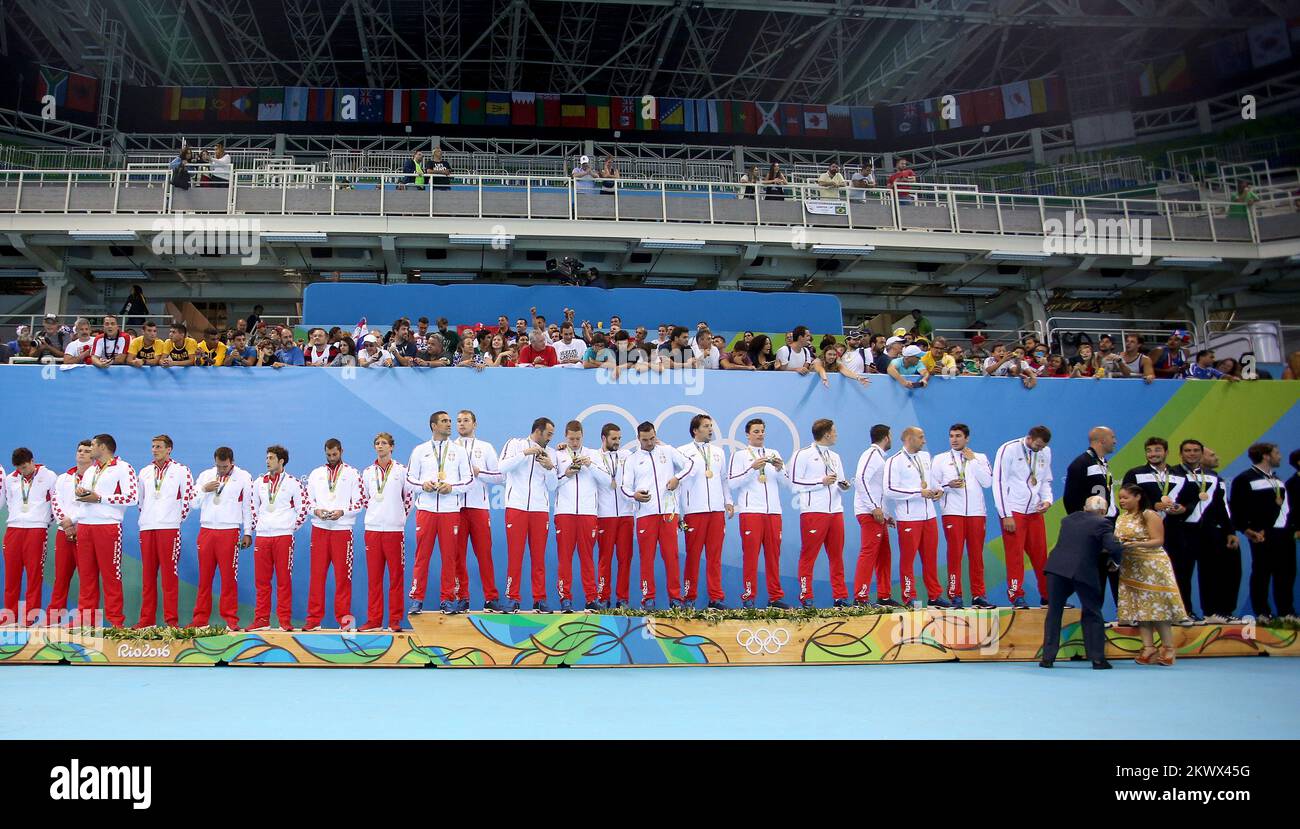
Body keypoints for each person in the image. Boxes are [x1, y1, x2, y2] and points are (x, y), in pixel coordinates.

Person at [1040, 495, 1125, 670]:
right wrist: (1115, 562)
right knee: (1092, 612)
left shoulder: (1068, 520)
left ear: (1085, 507)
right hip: (1083, 570)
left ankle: (1047, 658)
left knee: (1054, 613)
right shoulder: (1103, 523)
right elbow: (1114, 546)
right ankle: (1097, 659)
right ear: (1103, 512)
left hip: (1056, 568)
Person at [405, 412, 473, 615]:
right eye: (444, 421)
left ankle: (448, 598)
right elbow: (409, 480)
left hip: (450, 511)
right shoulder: (420, 451)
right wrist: (422, 485)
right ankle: (417, 598)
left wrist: (451, 487)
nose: (450, 424)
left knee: (450, 557)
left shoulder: (459, 451)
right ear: (433, 426)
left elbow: (469, 480)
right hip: (426, 510)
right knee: (422, 556)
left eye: (450, 421)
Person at [1122, 436, 1199, 617]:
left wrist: (1183, 509)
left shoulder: (1179, 475)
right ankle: (1144, 614)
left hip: (1174, 529)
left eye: (1157, 450)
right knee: (1145, 572)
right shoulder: (1135, 473)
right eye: (1149, 451)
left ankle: (1183, 612)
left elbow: (1191, 499)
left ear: (1166, 452)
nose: (1153, 454)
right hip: (1145, 530)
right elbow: (1126, 500)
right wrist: (1151, 507)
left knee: (1180, 571)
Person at [621, 422, 692, 608]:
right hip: (646, 514)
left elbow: (690, 464)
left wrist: (677, 478)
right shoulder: (632, 459)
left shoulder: (667, 450)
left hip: (669, 513)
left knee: (672, 556)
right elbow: (624, 487)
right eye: (645, 440)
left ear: (655, 434)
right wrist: (634, 495)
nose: (650, 442)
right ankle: (648, 598)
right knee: (646, 557)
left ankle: (676, 598)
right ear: (638, 439)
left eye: (652, 438)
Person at [1115, 484, 1187, 666]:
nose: (1122, 501)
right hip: (1131, 567)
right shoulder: (1121, 517)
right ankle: (1148, 648)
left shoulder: (1149, 514)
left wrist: (1134, 545)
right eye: (1120, 498)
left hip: (1153, 566)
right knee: (1140, 608)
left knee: (1158, 608)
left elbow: (1158, 540)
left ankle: (1168, 648)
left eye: (1125, 497)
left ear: (1137, 497)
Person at [73, 434, 138, 628]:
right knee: (86, 576)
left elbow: (132, 497)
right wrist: (81, 494)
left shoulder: (123, 468)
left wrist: (100, 498)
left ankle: (115, 622)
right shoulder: (91, 470)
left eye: (92, 445)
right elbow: (88, 498)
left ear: (103, 447)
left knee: (111, 576)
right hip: (85, 526)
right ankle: (86, 622)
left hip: (107, 527)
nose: (89, 448)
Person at [498, 417, 561, 613]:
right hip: (516, 507)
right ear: (538, 431)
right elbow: (502, 468)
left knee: (538, 557)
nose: (550, 438)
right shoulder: (515, 444)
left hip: (539, 510)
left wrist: (550, 468)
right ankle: (512, 598)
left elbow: (553, 486)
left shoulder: (551, 453)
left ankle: (540, 599)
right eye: (548, 434)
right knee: (515, 556)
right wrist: (525, 453)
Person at [789, 418, 853, 608]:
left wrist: (844, 485)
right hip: (813, 511)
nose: (836, 434)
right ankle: (806, 596)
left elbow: (839, 482)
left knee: (836, 556)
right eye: (834, 431)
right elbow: (793, 483)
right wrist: (820, 482)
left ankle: (840, 597)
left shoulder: (835, 457)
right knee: (809, 556)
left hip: (835, 511)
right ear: (826, 434)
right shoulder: (802, 455)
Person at [931, 424, 995, 609]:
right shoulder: (941, 459)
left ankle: (978, 596)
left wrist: (973, 460)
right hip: (953, 512)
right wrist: (948, 484)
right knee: (955, 555)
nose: (954, 439)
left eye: (958, 436)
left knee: (976, 556)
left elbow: (988, 482)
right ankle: (955, 595)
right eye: (951, 436)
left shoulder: (980, 458)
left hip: (976, 513)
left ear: (967, 438)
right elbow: (934, 486)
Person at [727, 418, 789, 609]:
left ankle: (775, 597)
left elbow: (787, 483)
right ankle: (749, 597)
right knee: (751, 556)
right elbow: (731, 483)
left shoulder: (774, 454)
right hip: (751, 512)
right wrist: (751, 468)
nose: (760, 434)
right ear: (747, 434)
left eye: (762, 431)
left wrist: (779, 469)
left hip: (773, 512)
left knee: (773, 556)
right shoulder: (739, 456)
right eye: (756, 431)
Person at [303, 439, 365, 630]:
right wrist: (317, 511)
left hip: (342, 531)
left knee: (343, 578)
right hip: (320, 530)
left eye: (335, 454)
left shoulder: (352, 473)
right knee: (317, 577)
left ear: (341, 451)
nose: (331, 458)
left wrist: (342, 512)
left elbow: (360, 502)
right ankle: (313, 620)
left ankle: (344, 621)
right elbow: (307, 502)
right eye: (328, 455)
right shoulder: (315, 474)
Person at [882, 427, 948, 608]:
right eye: (921, 437)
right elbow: (889, 490)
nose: (924, 441)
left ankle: (935, 597)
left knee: (930, 559)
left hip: (929, 516)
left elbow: (933, 480)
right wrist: (919, 493)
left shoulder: (925, 457)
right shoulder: (894, 461)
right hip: (909, 518)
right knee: (908, 560)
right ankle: (909, 597)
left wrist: (938, 490)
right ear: (909, 439)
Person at [134, 435, 194, 629]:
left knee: (169, 577)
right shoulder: (144, 472)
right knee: (148, 577)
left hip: (169, 528)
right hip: (147, 527)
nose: (154, 450)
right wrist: (148, 519)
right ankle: (146, 620)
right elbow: (140, 501)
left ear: (169, 449)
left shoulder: (181, 471)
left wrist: (175, 519)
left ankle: (171, 621)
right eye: (152, 446)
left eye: (158, 446)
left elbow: (188, 499)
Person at [1229, 442, 1294, 619]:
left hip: (1284, 533)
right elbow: (1237, 508)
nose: (1280, 456)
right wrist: (1248, 530)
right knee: (1262, 573)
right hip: (1262, 534)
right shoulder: (1245, 479)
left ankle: (1286, 612)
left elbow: (1285, 507)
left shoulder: (1277, 479)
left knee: (1285, 573)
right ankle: (1262, 612)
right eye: (1277, 453)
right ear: (1266, 455)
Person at [992, 425, 1054, 609]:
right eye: (1038, 444)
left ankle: (1048, 596)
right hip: (1014, 510)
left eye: (1043, 446)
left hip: (1035, 511)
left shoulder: (1046, 452)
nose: (1040, 448)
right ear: (1029, 437)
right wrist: (1006, 515)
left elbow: (1045, 481)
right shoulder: (1008, 449)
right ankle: (1016, 595)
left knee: (1041, 555)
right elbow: (999, 482)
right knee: (1015, 556)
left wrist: (1047, 500)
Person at [248, 445, 308, 632]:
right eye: (267, 458)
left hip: (283, 536)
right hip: (264, 537)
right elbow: (252, 508)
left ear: (281, 461)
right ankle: (262, 620)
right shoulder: (258, 482)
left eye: (271, 458)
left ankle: (284, 620)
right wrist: (260, 527)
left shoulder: (293, 483)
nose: (267, 461)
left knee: (283, 580)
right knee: (262, 581)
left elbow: (304, 508)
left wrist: (289, 527)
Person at [191, 447, 253, 629]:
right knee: (204, 578)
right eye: (218, 466)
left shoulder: (243, 477)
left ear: (232, 462)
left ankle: (230, 620)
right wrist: (204, 489)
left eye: (224, 467)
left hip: (229, 531)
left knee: (228, 579)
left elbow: (248, 507)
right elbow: (193, 503)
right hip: (207, 530)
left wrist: (247, 532)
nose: (221, 470)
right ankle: (200, 620)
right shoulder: (205, 475)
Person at [676, 414, 733, 610]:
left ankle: (715, 598)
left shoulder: (718, 452)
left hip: (716, 511)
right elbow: (676, 484)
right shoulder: (682, 452)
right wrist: (678, 512)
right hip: (694, 511)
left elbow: (723, 479)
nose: (710, 429)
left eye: (711, 426)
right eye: (706, 426)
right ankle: (689, 598)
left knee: (715, 557)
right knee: (693, 557)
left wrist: (728, 501)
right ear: (695, 430)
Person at [359, 432, 413, 631]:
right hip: (372, 530)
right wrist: (377, 514)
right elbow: (365, 499)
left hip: (394, 531)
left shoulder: (402, 471)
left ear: (392, 447)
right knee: (374, 578)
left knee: (396, 578)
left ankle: (394, 621)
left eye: (384, 443)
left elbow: (409, 499)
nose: (380, 446)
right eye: (377, 443)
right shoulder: (367, 472)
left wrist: (398, 517)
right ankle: (374, 620)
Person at [553, 421, 608, 613]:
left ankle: (591, 599)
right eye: (571, 439)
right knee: (565, 558)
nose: (574, 442)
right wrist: (566, 474)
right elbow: (551, 484)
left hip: (587, 513)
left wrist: (590, 466)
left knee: (587, 558)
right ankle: (565, 599)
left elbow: (608, 481)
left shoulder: (593, 455)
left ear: (583, 436)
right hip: (564, 513)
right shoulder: (557, 454)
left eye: (577, 439)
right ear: (565, 436)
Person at [1062, 426, 1119, 601]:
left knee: (1114, 570)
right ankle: (1094, 620)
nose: (1115, 441)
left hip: (1109, 525)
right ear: (1101, 440)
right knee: (1097, 575)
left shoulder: (1102, 463)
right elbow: (1070, 500)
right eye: (1112, 437)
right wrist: (1085, 527)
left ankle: (1121, 615)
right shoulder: (1081, 463)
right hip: (1093, 530)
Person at [454, 410, 503, 613]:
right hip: (455, 508)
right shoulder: (449, 448)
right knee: (457, 556)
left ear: (475, 424)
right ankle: (461, 598)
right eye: (459, 421)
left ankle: (491, 598)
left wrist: (479, 472)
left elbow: (500, 477)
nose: (462, 424)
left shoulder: (485, 447)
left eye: (466, 420)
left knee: (484, 554)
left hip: (479, 507)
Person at [3, 448, 57, 625]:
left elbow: (55, 503)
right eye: (19, 468)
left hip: (36, 529)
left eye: (25, 467)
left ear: (33, 461)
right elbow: (10, 503)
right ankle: (8, 616)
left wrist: (43, 521)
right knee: (11, 576)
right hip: (14, 529)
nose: (23, 471)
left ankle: (30, 617)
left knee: (34, 576)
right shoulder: (10, 479)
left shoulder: (49, 476)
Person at [48, 440, 93, 624]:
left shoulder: (96, 477)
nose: (81, 453)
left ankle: (84, 619)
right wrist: (65, 523)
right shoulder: (63, 478)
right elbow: (55, 501)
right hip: (63, 531)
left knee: (86, 577)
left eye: (87, 451)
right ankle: (53, 618)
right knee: (61, 577)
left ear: (94, 455)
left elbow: (89, 503)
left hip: (84, 530)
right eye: (79, 450)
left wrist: (73, 521)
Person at [593, 423, 636, 609]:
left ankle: (622, 599)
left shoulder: (627, 456)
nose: (617, 442)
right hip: (605, 515)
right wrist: (562, 446)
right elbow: (572, 449)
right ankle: (603, 597)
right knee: (605, 558)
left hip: (626, 514)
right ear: (603, 438)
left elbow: (647, 452)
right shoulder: (593, 456)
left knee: (625, 558)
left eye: (619, 438)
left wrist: (659, 443)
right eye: (613, 439)